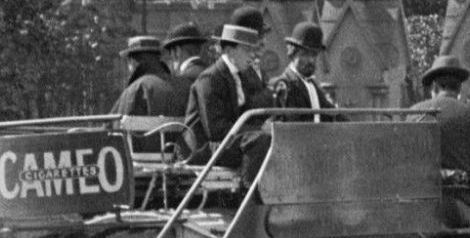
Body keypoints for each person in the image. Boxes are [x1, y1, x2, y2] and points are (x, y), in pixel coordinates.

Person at [411, 54, 470, 238]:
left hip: (418, 207)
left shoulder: (412, 113)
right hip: (462, 209)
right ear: (459, 88)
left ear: (434, 87)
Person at [183, 22, 262, 170]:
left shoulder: (242, 77)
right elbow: (215, 130)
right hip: (204, 148)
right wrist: (256, 131)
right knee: (261, 142)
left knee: (271, 140)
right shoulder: (210, 79)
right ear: (229, 50)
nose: (252, 55)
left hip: (227, 143)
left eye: (254, 50)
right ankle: (250, 190)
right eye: (247, 50)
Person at [269, 22, 342, 121]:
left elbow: (332, 113)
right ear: (293, 54)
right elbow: (289, 123)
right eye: (305, 54)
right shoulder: (285, 85)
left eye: (314, 55)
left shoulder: (313, 86)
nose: (311, 60)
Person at [112, 35, 190, 119]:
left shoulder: (134, 90)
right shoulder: (186, 85)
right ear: (159, 58)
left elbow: (111, 125)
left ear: (132, 61)